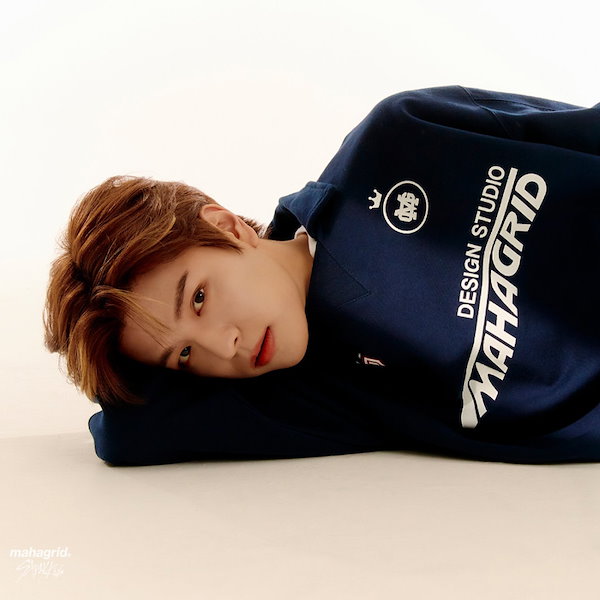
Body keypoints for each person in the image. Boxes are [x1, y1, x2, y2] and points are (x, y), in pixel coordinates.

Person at [44, 85, 600, 465]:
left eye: (198, 299)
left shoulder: (397, 138)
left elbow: (581, 132)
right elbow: (126, 433)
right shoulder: (320, 390)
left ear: (228, 227)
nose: (224, 346)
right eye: (184, 355)